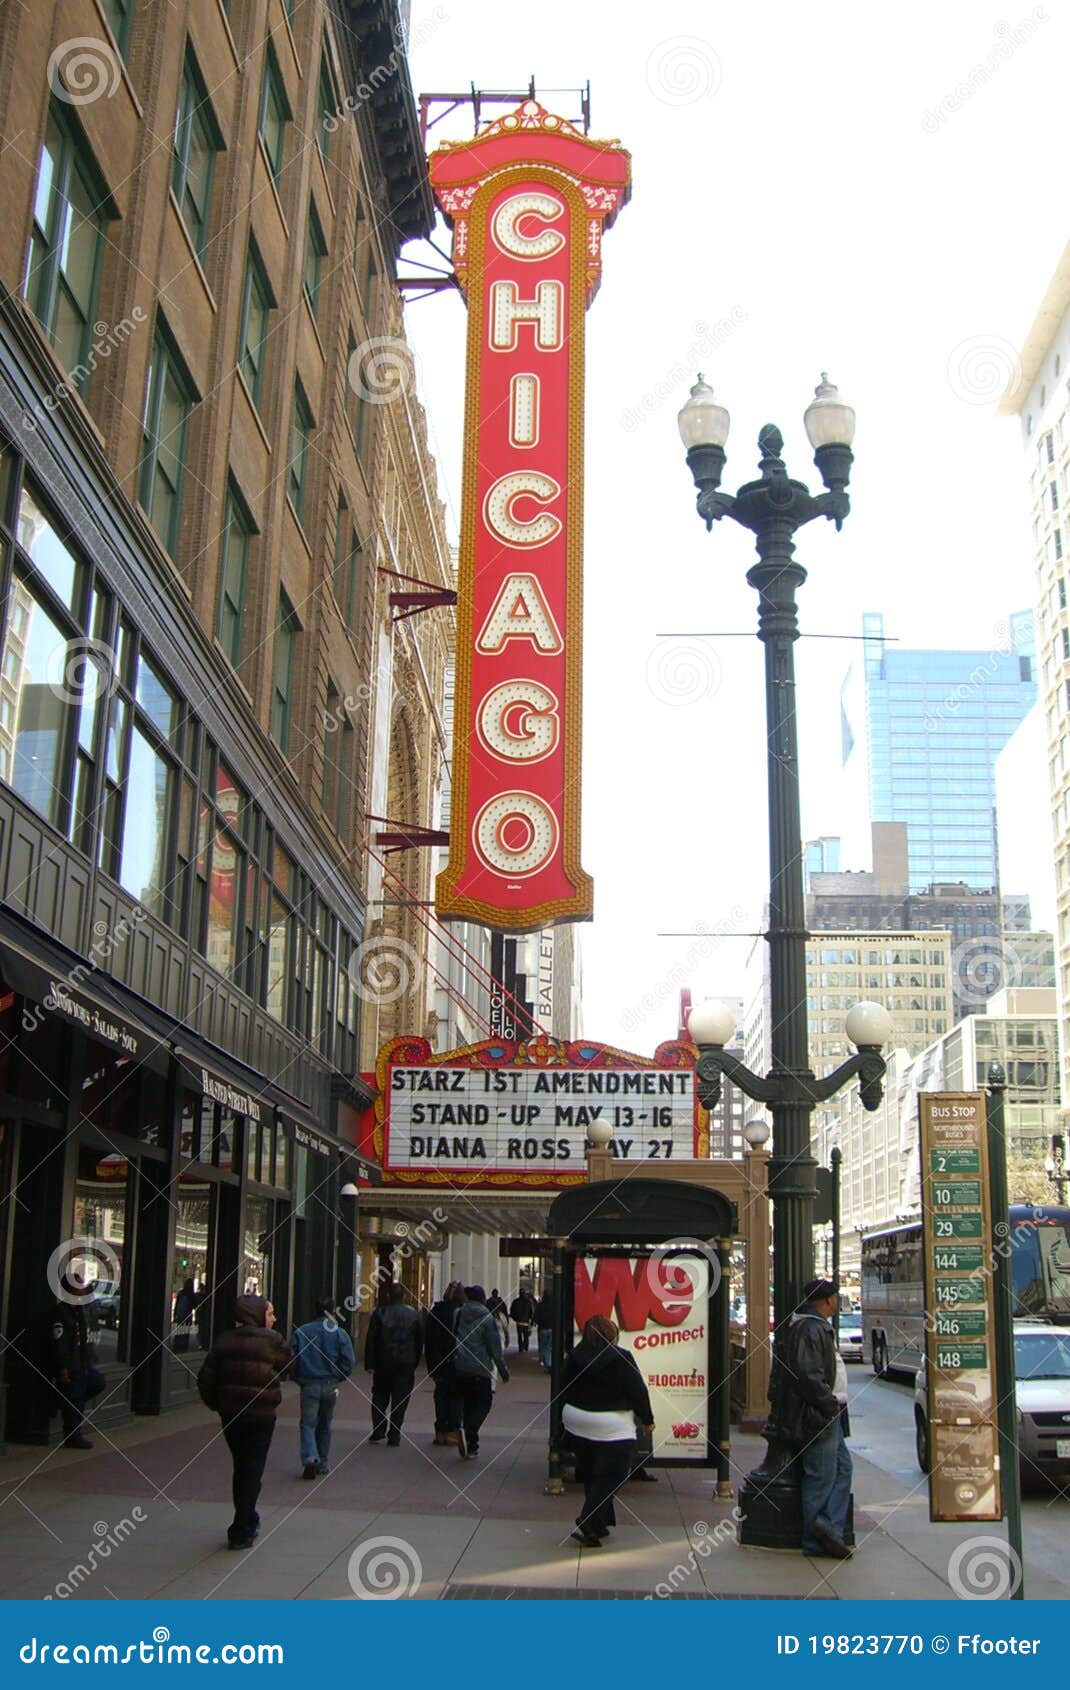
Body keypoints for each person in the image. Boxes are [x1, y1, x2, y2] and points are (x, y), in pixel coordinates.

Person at [767, 1276, 853, 1560]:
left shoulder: (812, 1326)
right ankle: (817, 1536)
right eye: (835, 1299)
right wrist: (828, 1404)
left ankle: (827, 1527)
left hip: (828, 1411)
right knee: (821, 1475)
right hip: (818, 1415)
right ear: (828, 1300)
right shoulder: (810, 1327)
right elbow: (808, 1374)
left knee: (842, 1469)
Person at [197, 1294, 292, 1549]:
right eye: (270, 1313)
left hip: (232, 1414)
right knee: (252, 1468)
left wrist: (219, 1404)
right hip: (261, 1415)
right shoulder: (273, 1341)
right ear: (257, 1314)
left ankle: (246, 1518)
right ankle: (243, 1525)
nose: (274, 1318)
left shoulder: (224, 1340)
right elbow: (289, 1366)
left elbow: (205, 1379)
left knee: (242, 1465)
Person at [561, 1315, 654, 1548]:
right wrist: (647, 1419)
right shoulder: (621, 1358)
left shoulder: (574, 1356)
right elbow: (637, 1390)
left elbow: (562, 1387)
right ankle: (589, 1519)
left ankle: (601, 1523)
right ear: (612, 1334)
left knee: (591, 1470)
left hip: (576, 1419)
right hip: (612, 1422)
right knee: (615, 1472)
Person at [290, 1297, 355, 1478]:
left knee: (308, 1423)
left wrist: (299, 1378)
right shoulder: (340, 1333)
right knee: (325, 1423)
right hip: (330, 1385)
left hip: (309, 1384)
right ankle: (323, 1462)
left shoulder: (302, 1332)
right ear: (333, 1312)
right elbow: (349, 1362)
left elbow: (291, 1360)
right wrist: (338, 1377)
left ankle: (310, 1457)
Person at [46, 1272, 106, 1449]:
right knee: (75, 1398)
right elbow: (59, 1343)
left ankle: (62, 1402)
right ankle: (73, 1435)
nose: (81, 1292)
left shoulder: (79, 1312)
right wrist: (62, 1368)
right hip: (70, 1366)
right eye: (77, 1289)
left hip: (82, 1364)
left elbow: (83, 1340)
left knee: (97, 1383)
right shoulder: (61, 1313)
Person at [452, 1285, 509, 1459]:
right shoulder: (487, 1319)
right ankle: (470, 1430)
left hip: (460, 1366)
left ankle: (472, 1445)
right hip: (480, 1368)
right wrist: (502, 1369)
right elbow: (494, 1347)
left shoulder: (458, 1313)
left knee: (468, 1404)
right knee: (484, 1403)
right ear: (483, 1299)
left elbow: (453, 1335)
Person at [364, 1283, 423, 1446]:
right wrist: (415, 1360)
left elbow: (371, 1339)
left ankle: (378, 1430)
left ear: (389, 1295)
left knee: (380, 1395)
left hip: (384, 1361)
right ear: (403, 1296)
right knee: (401, 1398)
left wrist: (370, 1362)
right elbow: (419, 1341)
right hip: (405, 1362)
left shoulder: (379, 1313)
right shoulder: (414, 1315)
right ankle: (394, 1433)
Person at [425, 1281, 465, 1444]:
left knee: (441, 1396)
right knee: (456, 1398)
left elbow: (429, 1340)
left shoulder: (436, 1312)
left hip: (439, 1363)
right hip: (455, 1363)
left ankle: (440, 1431)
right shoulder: (461, 1313)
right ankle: (452, 1431)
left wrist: (431, 1366)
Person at [509, 1287, 535, 1352]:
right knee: (526, 1336)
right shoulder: (528, 1301)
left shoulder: (515, 1301)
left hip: (519, 1322)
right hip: (526, 1322)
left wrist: (515, 1319)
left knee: (519, 1336)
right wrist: (531, 1320)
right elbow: (531, 1312)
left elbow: (512, 1312)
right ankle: (526, 1347)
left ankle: (520, 1347)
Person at [535, 1288, 554, 1372]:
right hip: (551, 1328)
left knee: (542, 1346)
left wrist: (536, 1322)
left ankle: (543, 1360)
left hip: (542, 1328)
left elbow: (536, 1316)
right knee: (549, 1347)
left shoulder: (540, 1305)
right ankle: (548, 1363)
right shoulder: (554, 1305)